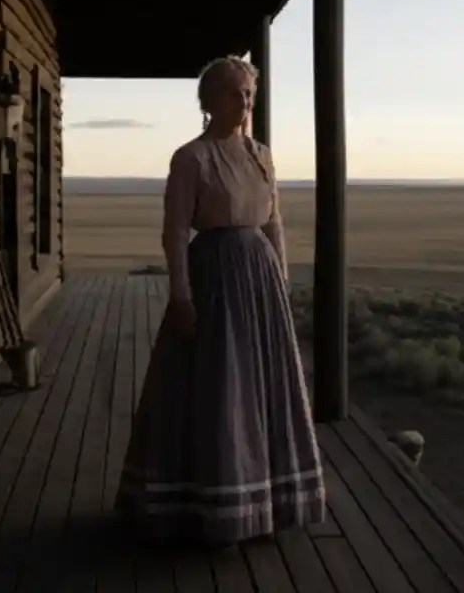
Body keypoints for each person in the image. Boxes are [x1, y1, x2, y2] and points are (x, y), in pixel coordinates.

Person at [114, 55, 326, 546]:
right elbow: (173, 231)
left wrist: (281, 283)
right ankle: (209, 503)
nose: (244, 101)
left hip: (259, 279)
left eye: (249, 93)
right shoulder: (192, 158)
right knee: (217, 385)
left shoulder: (261, 155)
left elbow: (274, 223)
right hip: (215, 278)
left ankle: (264, 502)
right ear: (208, 102)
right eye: (234, 92)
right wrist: (182, 297)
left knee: (263, 385)